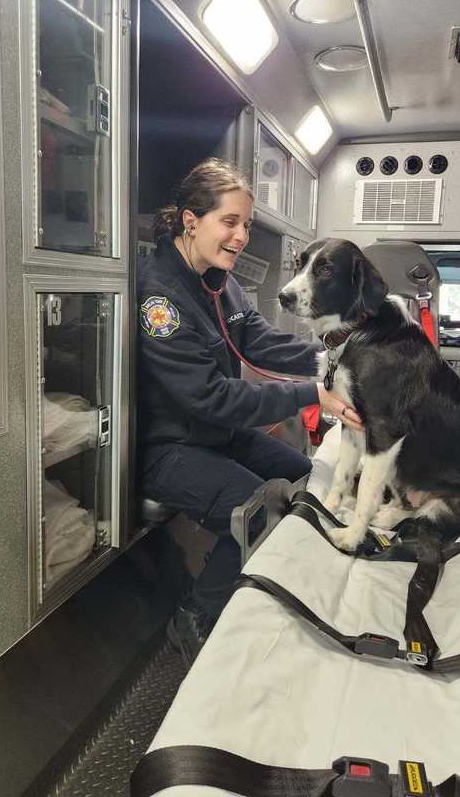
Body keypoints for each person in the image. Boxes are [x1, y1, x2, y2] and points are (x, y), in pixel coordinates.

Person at [137, 158, 362, 666]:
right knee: (251, 505)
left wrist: (335, 357)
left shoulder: (220, 280)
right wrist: (313, 393)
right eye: (229, 222)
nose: (240, 236)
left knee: (303, 474)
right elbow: (211, 397)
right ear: (191, 220)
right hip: (168, 446)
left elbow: (256, 340)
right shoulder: (160, 298)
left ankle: (262, 586)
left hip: (214, 434)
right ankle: (195, 614)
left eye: (246, 224)